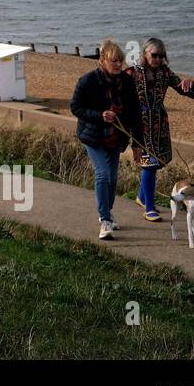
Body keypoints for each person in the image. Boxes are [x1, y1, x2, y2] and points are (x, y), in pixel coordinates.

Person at [70, 39, 140, 240]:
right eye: (113, 61)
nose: (118, 65)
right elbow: (75, 107)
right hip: (92, 135)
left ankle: (108, 213)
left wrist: (136, 144)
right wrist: (99, 115)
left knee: (113, 178)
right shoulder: (87, 80)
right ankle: (105, 220)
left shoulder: (127, 82)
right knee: (102, 175)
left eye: (120, 61)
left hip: (116, 136)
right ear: (102, 60)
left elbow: (135, 114)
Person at [127, 37, 194, 222]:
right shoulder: (133, 73)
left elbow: (187, 92)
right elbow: (117, 90)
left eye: (161, 55)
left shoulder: (165, 72)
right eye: (154, 55)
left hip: (159, 123)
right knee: (148, 164)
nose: (158, 59)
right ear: (145, 54)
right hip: (140, 124)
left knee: (157, 163)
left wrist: (190, 85)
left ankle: (142, 197)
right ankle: (149, 208)